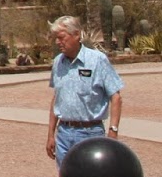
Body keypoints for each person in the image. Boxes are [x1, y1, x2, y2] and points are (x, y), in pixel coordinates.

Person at [46, 15, 124, 167]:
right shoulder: (58, 62)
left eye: (61, 37)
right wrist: (51, 135)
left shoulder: (97, 60)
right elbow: (56, 98)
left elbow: (116, 97)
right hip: (64, 133)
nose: (57, 42)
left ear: (76, 35)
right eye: (56, 38)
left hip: (90, 133)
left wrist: (113, 131)